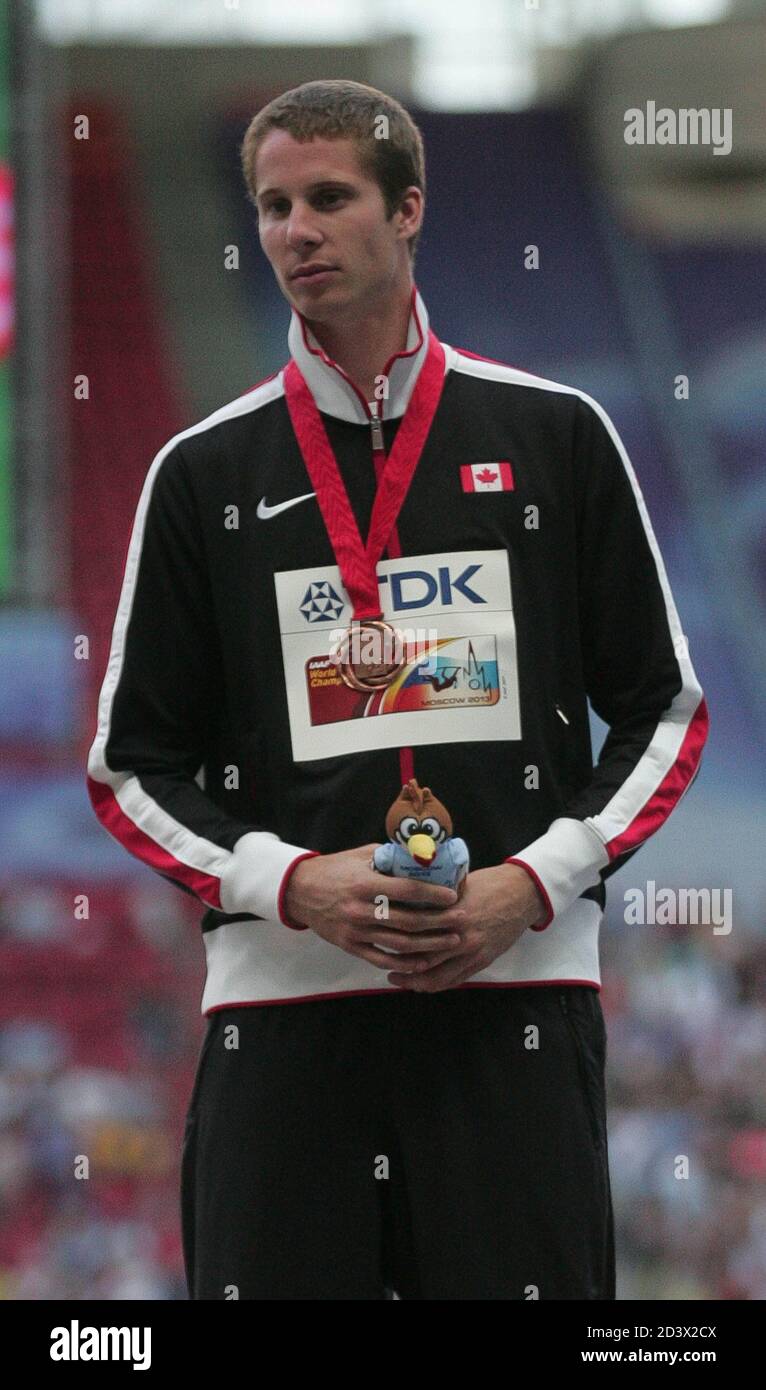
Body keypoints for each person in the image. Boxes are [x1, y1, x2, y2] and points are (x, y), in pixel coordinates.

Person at [86, 78, 709, 1300]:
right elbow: (127, 765)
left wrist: (530, 884)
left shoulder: (556, 435)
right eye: (271, 206)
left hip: (516, 1003)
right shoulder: (201, 472)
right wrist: (289, 884)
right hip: (284, 1013)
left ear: (409, 208)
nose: (292, 230)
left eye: (328, 198)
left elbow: (664, 716)